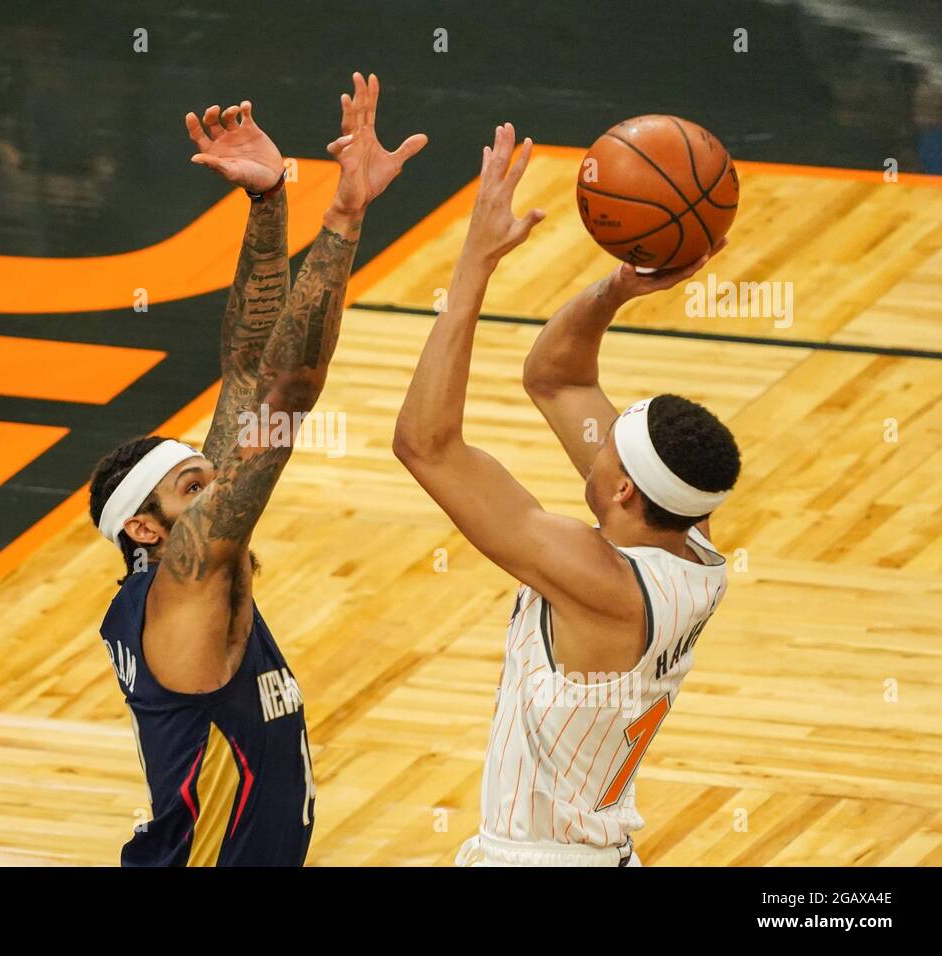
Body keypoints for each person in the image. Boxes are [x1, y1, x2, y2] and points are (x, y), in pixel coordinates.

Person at [91, 74, 426, 866]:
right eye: (193, 486)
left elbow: (246, 373)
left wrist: (269, 203)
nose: (220, 488)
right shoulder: (188, 574)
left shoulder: (180, 570)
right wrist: (343, 214)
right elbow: (284, 392)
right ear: (145, 527)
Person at [393, 123, 740, 867]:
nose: (595, 432)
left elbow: (426, 446)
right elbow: (560, 378)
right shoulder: (692, 547)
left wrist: (474, 267)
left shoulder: (600, 582)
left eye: (607, 441)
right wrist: (618, 288)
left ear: (619, 488)